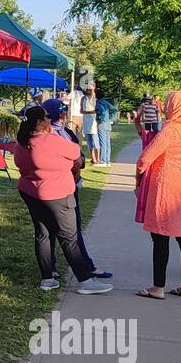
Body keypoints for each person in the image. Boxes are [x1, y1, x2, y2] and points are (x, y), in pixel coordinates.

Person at [2, 108, 113, 294]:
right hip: (57, 194)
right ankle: (85, 279)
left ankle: (47, 278)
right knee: (69, 237)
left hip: (31, 192)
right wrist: (67, 162)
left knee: (43, 234)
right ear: (39, 122)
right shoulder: (50, 140)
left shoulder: (22, 142)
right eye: (46, 117)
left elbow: (25, 164)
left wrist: (65, 162)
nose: (49, 119)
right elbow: (75, 151)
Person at [134, 91, 181, 300]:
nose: (166, 105)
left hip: (166, 185)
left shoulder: (171, 129)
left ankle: (158, 287)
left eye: (169, 102)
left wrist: (138, 177)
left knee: (160, 236)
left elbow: (146, 157)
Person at [41, 99, 110, 280]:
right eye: (59, 113)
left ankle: (86, 265)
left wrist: (79, 162)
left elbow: (80, 156)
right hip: (52, 187)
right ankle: (51, 268)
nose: (63, 116)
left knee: (74, 228)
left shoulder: (68, 133)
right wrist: (72, 162)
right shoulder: (46, 136)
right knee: (49, 230)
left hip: (71, 185)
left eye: (64, 112)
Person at [95, 89, 116, 166]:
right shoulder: (106, 102)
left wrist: (99, 118)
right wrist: (111, 119)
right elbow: (114, 109)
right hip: (108, 123)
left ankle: (103, 161)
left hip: (102, 123)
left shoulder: (99, 103)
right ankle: (107, 161)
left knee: (103, 142)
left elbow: (101, 111)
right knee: (107, 143)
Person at [78, 84, 99, 161]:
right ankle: (93, 158)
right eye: (88, 89)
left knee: (95, 140)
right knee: (89, 140)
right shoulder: (83, 98)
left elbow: (96, 110)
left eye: (90, 89)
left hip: (94, 121)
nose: (89, 90)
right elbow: (81, 110)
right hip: (86, 121)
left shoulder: (95, 98)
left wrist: (88, 112)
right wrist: (90, 112)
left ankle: (98, 158)